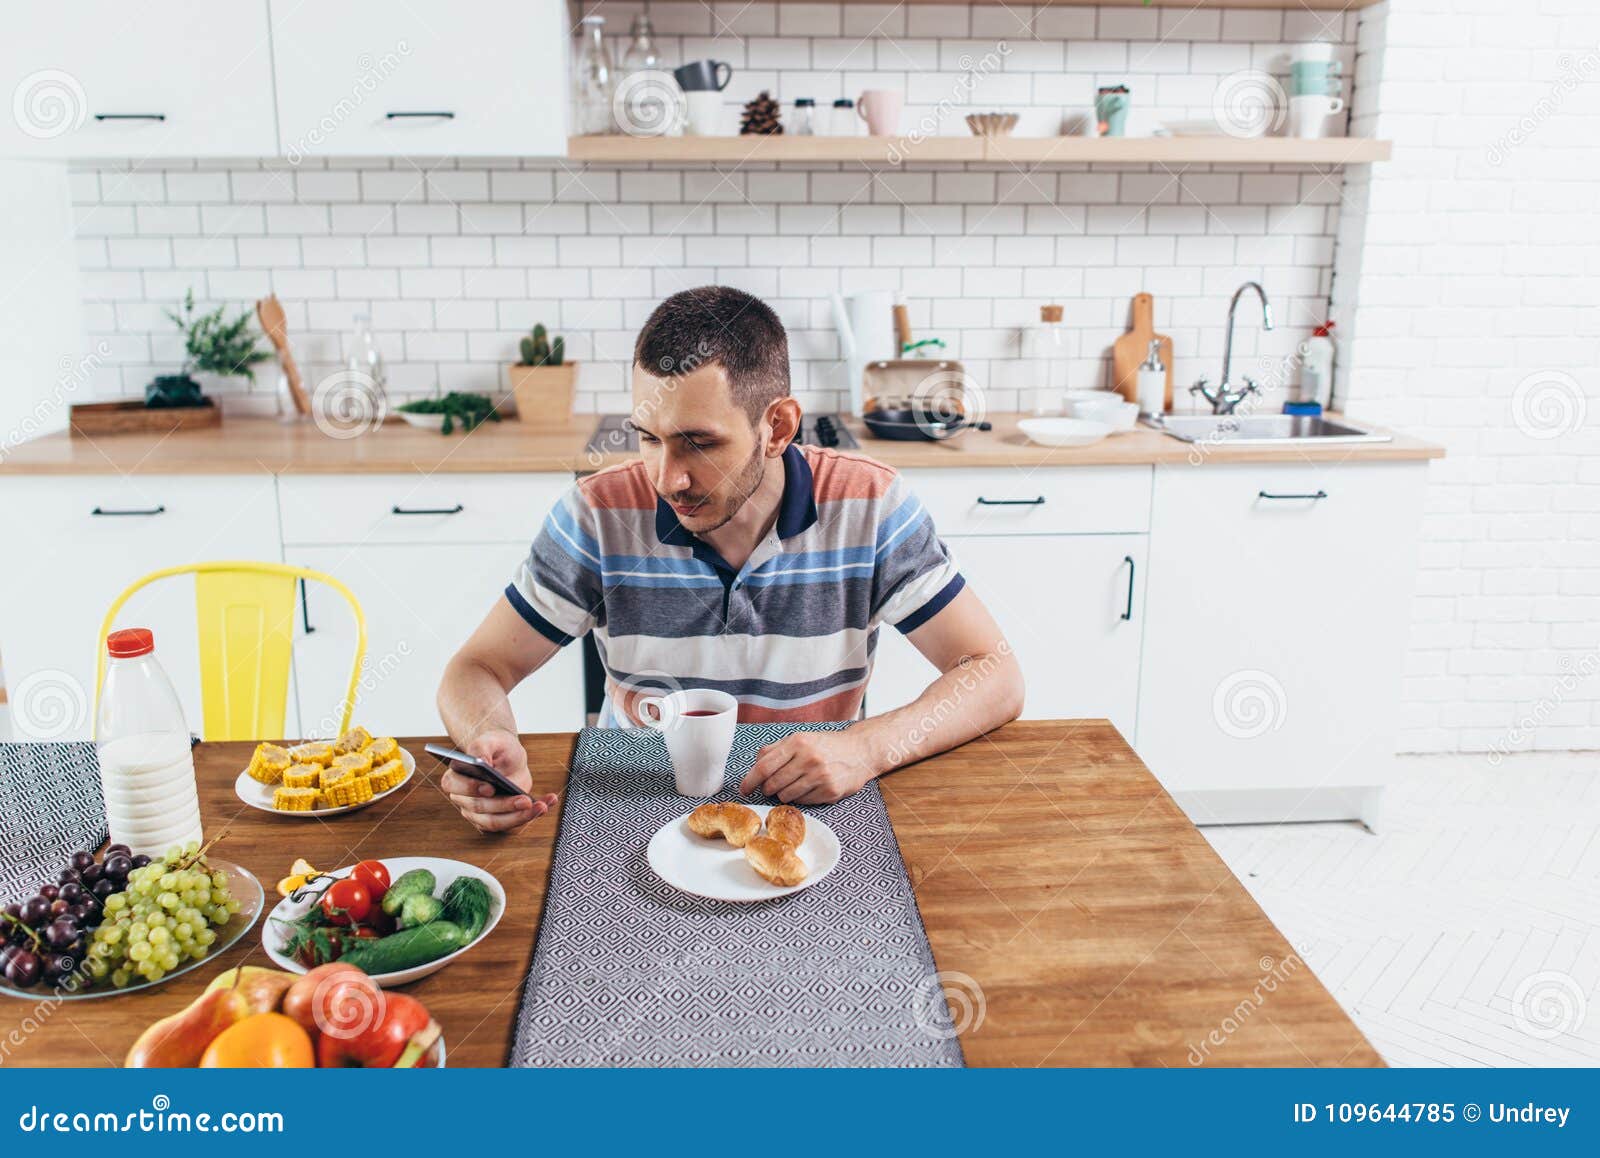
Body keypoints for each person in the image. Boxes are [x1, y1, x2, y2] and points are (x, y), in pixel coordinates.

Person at [437, 286, 1023, 833]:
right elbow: (476, 669)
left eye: (699, 442)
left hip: (811, 809)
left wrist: (867, 747)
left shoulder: (871, 506)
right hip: (631, 802)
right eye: (647, 437)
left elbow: (995, 674)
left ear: (778, 427)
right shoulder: (596, 514)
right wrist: (489, 739)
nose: (667, 479)